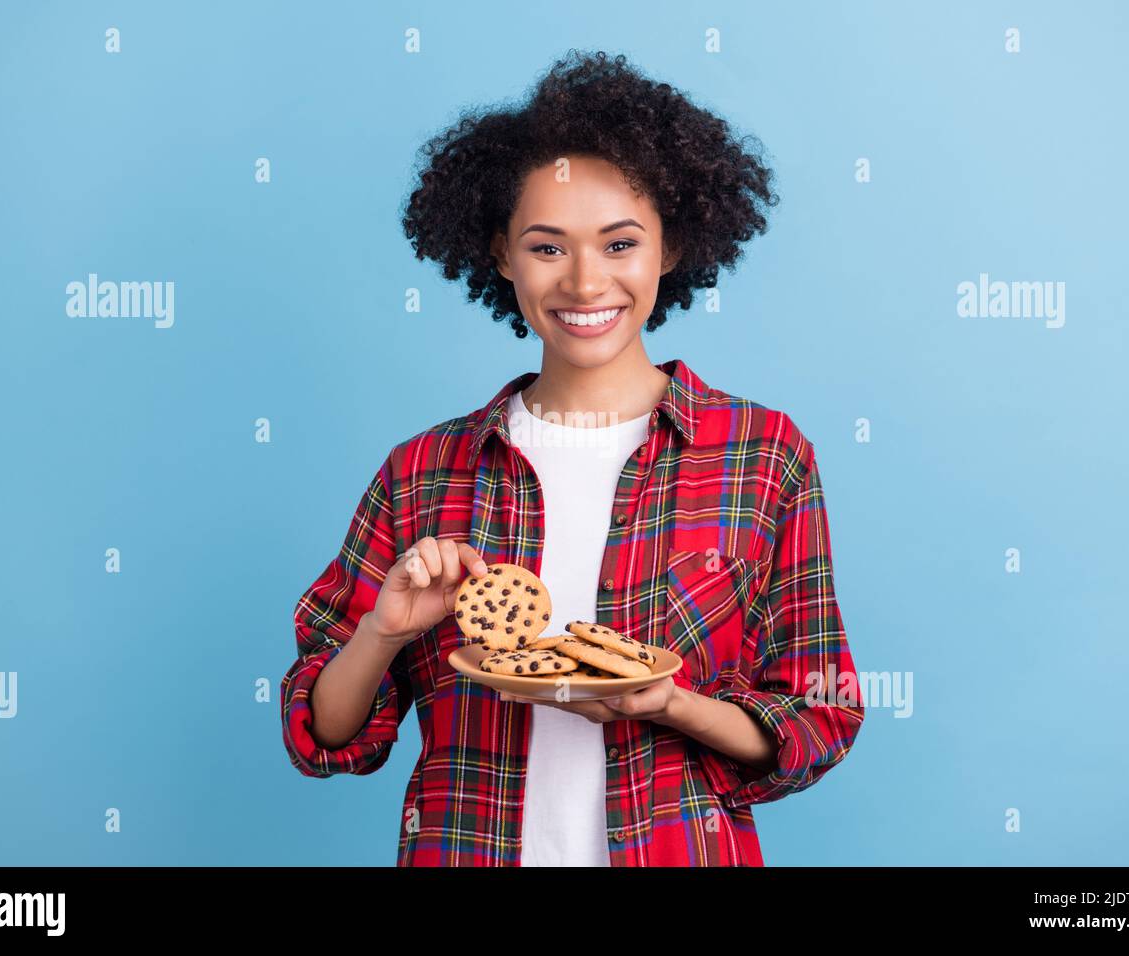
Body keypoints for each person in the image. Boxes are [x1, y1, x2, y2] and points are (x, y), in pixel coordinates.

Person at [280, 49, 863, 866]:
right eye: (547, 248)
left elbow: (819, 713)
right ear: (500, 256)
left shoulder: (763, 457)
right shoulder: (423, 471)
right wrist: (380, 631)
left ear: (670, 247)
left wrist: (671, 705)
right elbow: (325, 735)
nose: (587, 283)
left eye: (620, 243)